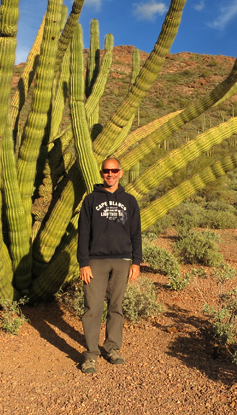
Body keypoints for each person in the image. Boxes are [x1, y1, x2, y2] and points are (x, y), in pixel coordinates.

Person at [77, 157, 142, 374]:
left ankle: (112, 348)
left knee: (116, 307)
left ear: (121, 173)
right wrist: (83, 263)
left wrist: (136, 261)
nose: (110, 174)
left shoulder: (130, 201)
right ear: (102, 173)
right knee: (93, 309)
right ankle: (91, 355)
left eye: (114, 171)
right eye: (106, 171)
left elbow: (135, 233)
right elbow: (83, 233)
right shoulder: (91, 200)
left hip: (122, 261)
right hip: (96, 261)